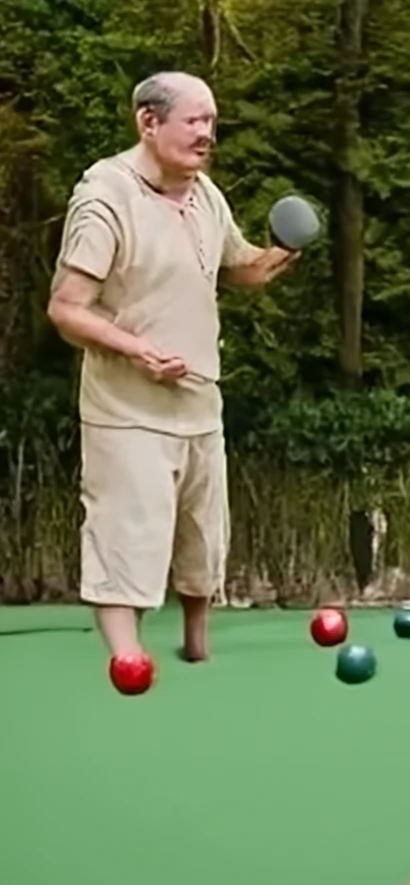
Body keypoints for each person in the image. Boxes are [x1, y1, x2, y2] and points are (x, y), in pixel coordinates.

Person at [47, 71, 298, 666]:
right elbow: (66, 308)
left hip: (199, 407)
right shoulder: (106, 198)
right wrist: (135, 349)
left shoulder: (205, 195)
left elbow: (240, 269)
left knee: (202, 546)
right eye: (194, 120)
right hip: (126, 409)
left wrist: (282, 250)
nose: (207, 133)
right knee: (125, 540)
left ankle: (197, 648)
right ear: (148, 122)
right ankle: (127, 660)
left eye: (211, 121)